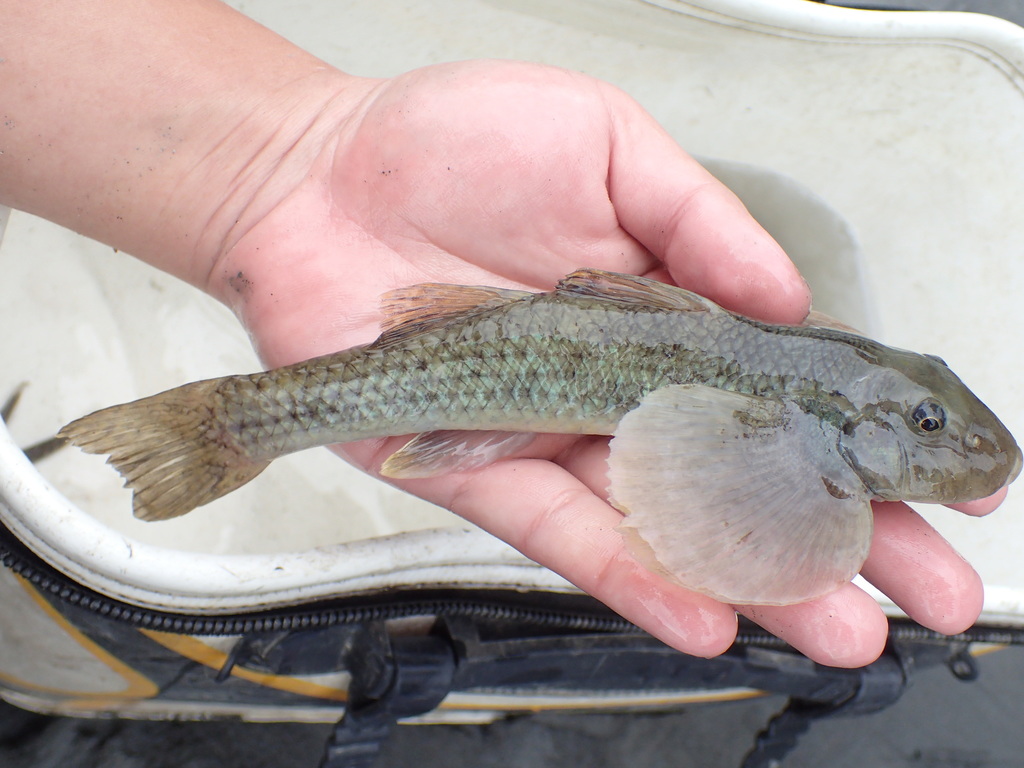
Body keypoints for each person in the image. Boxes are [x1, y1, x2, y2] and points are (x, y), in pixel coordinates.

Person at [0, 0, 1007, 668]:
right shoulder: (800, 389)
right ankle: (231, 424)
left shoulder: (808, 383)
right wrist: (291, 164)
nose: (947, 444)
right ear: (857, 407)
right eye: (926, 420)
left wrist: (279, 163)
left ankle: (230, 424)